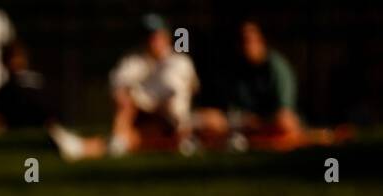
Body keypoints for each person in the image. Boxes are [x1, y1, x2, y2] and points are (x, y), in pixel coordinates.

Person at [49, 13, 198, 159]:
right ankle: (108, 143)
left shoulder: (179, 62)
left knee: (214, 122)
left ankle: (85, 147)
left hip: (175, 123)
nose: (152, 40)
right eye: (148, 35)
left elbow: (171, 95)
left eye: (156, 35)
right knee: (127, 105)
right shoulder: (134, 59)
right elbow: (119, 84)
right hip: (148, 121)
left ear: (166, 36)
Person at [195, 20, 341, 151]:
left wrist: (257, 122)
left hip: (268, 123)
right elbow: (227, 109)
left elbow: (284, 111)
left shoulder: (276, 67)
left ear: (261, 41)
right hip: (242, 123)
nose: (246, 46)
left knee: (284, 122)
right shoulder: (232, 68)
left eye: (250, 41)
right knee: (208, 120)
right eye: (242, 41)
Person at [0, 40, 50, 130]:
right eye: (11, 58)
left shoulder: (36, 85)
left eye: (17, 58)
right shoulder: (2, 92)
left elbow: (48, 114)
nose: (14, 62)